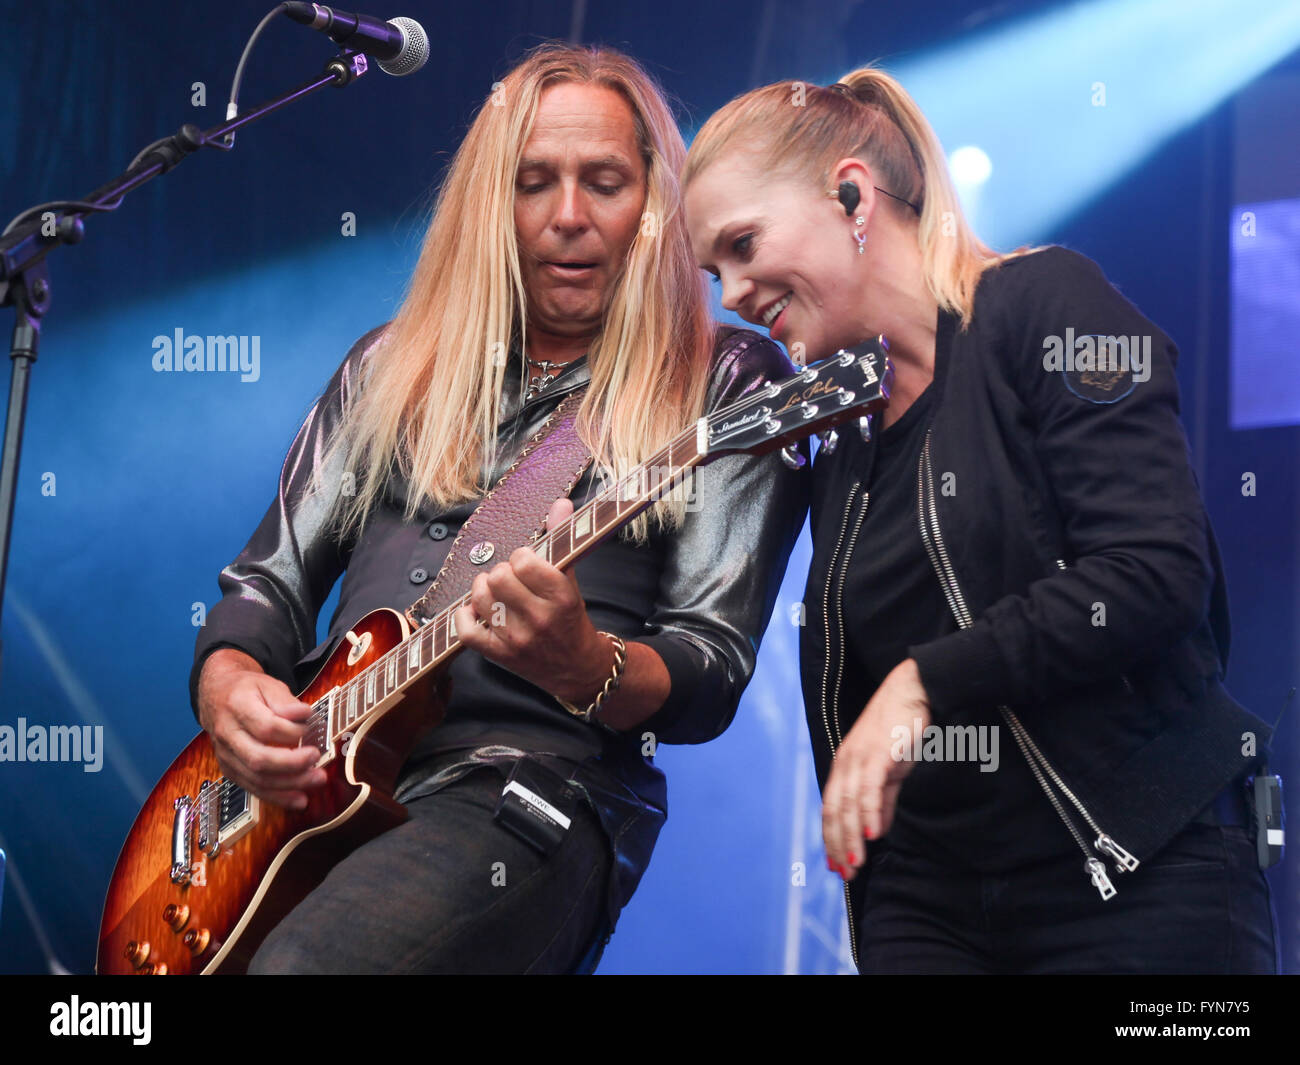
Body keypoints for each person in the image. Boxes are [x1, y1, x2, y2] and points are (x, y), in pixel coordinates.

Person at [190, 42, 806, 974]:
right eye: (534, 183)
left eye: (605, 182)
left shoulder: (727, 379)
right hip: (321, 802)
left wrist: (587, 662)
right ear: (491, 206)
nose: (569, 217)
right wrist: (230, 684)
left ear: (655, 207)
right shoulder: (386, 368)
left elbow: (710, 664)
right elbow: (266, 586)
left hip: (527, 794)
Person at [681, 67, 1280, 974]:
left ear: (851, 194)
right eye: (712, 270)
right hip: (931, 905)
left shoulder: (1048, 306)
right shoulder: (840, 430)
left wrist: (925, 684)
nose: (731, 292)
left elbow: (1156, 571)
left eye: (743, 244)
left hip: (1143, 867)